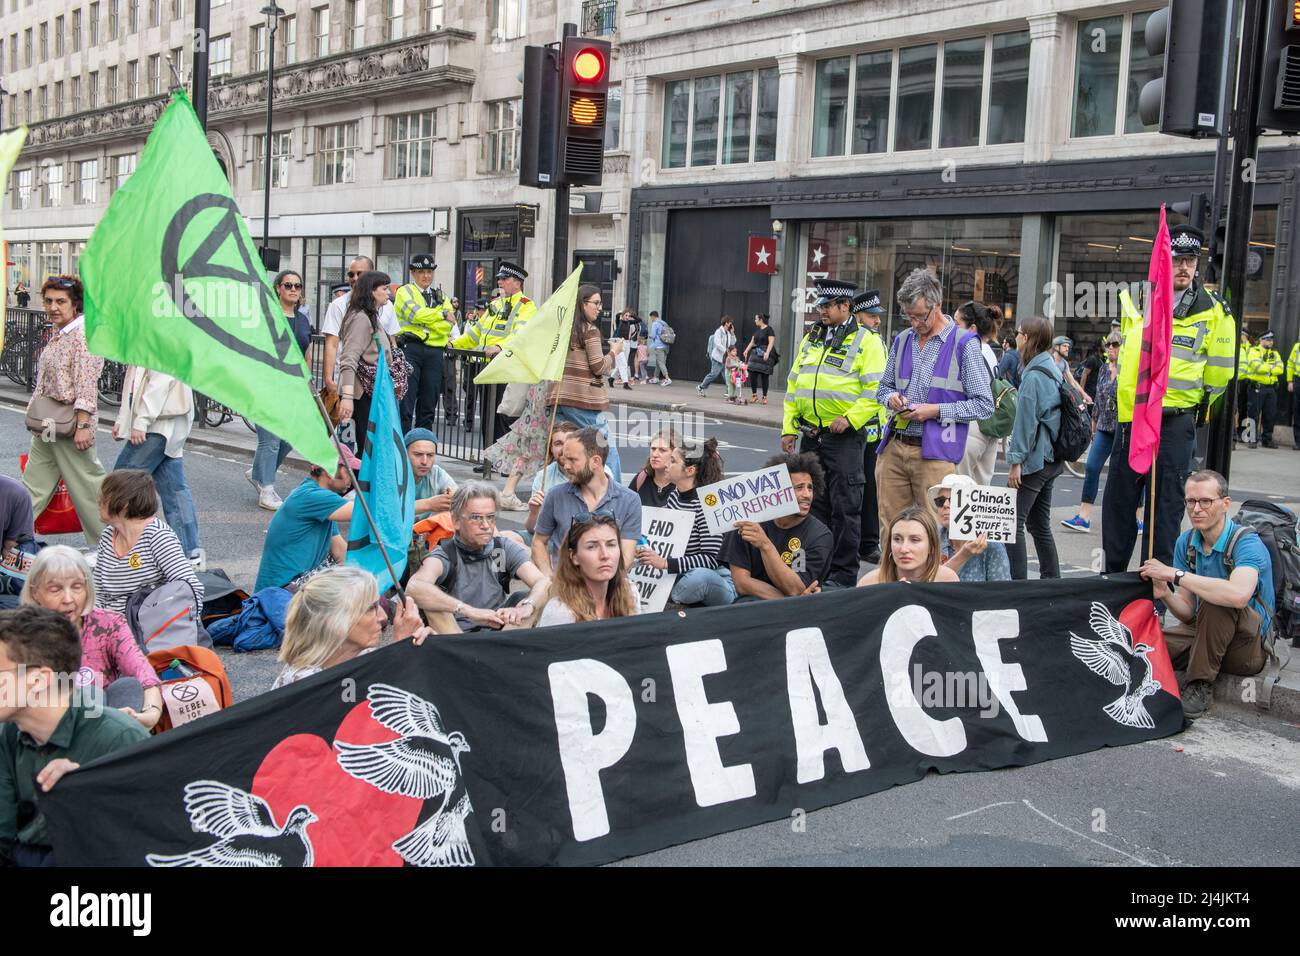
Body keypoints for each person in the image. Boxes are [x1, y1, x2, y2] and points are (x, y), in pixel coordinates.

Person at [1104, 224, 1236, 572]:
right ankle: (1112, 580)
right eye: (1177, 259)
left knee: (1166, 506)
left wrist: (1196, 405)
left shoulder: (1214, 310)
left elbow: (1220, 373)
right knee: (1119, 501)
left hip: (1175, 419)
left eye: (1190, 261)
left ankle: (1157, 587)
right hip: (1133, 417)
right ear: (1162, 260)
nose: (1184, 267)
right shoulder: (1136, 297)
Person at [0, 606, 150, 866]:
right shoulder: (10, 731)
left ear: (38, 680)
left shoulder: (120, 738)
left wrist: (84, 790)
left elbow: (150, 844)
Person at [1139, 470, 1272, 719]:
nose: (1196, 509)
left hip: (1248, 648)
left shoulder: (1246, 542)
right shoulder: (1186, 542)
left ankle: (1199, 685)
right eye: (1191, 501)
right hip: (1205, 633)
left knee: (1217, 598)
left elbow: (1239, 596)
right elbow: (1188, 613)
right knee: (1144, 649)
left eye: (1206, 501)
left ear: (1225, 504)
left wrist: (1175, 575)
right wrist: (1165, 593)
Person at [875, 268, 994, 540]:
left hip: (937, 454)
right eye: (909, 316)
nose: (914, 322)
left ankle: (931, 583)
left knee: (935, 534)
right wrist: (890, 398)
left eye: (920, 315)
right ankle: (891, 583)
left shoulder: (964, 343)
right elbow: (883, 387)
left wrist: (936, 411)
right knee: (890, 531)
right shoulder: (902, 340)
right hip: (894, 446)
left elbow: (984, 405)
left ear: (937, 305)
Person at [781, 278, 884, 589]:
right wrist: (789, 427)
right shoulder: (812, 338)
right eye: (820, 306)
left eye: (827, 306)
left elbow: (876, 389)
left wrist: (851, 419)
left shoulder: (866, 341)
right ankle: (817, 571)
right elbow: (793, 385)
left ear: (845, 307)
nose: (821, 311)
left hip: (844, 439)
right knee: (813, 507)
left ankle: (841, 575)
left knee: (846, 508)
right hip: (811, 436)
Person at [20, 546, 163, 729]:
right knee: (88, 694)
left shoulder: (108, 624)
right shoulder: (20, 635)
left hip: (105, 725)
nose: (68, 598)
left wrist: (150, 715)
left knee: (127, 686)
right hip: (48, 730)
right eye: (55, 589)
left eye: (77, 587)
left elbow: (144, 675)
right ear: (35, 593)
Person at [21, 275, 106, 546]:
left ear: (75, 304)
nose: (53, 307)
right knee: (32, 488)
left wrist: (83, 426)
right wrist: (32, 412)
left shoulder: (83, 335)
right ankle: (10, 538)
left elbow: (86, 382)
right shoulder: (61, 333)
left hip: (70, 426)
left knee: (89, 491)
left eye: (60, 301)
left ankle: (113, 549)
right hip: (48, 425)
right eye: (48, 301)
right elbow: (44, 381)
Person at [407, 482, 550, 632]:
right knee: (434, 605)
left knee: (534, 597)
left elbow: (542, 582)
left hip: (499, 631)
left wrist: (528, 606)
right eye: (476, 518)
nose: (486, 525)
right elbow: (414, 587)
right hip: (457, 637)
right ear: (456, 521)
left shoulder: (500, 549)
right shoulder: (445, 555)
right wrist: (469, 611)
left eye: (490, 517)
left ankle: (506, 651)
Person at [273, 566, 431, 689]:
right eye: (371, 608)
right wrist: (399, 649)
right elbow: (365, 719)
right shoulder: (304, 681)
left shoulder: (360, 654)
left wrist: (427, 649)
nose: (383, 617)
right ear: (333, 621)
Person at [111, 363, 201, 557]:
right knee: (174, 490)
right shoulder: (153, 336)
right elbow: (134, 382)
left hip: (157, 426)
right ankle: (189, 552)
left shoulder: (157, 337)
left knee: (119, 485)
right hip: (164, 426)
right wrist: (123, 421)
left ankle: (118, 549)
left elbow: (159, 382)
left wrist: (141, 421)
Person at [245, 270, 315, 512]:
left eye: (298, 285)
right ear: (278, 288)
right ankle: (266, 489)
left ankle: (258, 472)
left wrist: (307, 385)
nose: (293, 289)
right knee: (271, 439)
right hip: (266, 385)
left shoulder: (304, 320)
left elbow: (306, 353)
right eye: (288, 285)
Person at [635, 438, 734, 607]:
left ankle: (668, 600)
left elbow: (711, 559)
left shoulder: (707, 504)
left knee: (698, 579)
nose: (667, 464)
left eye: (673, 461)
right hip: (679, 572)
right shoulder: (674, 495)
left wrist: (666, 563)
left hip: (711, 577)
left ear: (689, 470)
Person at [91, 470, 204, 618]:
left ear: (124, 503)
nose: (99, 500)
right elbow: (97, 593)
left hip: (149, 628)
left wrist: (168, 626)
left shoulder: (157, 536)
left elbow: (191, 589)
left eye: (105, 495)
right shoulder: (108, 536)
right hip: (112, 627)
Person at [722, 452, 833, 601]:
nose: (807, 494)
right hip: (751, 603)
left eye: (810, 488)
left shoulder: (819, 535)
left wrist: (765, 545)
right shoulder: (746, 521)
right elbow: (741, 583)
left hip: (796, 615)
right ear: (779, 491)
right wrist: (788, 601)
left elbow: (795, 589)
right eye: (799, 488)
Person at [531, 427, 642, 578]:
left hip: (608, 588)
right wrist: (549, 579)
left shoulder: (629, 500)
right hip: (565, 587)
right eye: (565, 458)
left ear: (595, 461)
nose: (566, 466)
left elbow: (626, 558)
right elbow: (538, 542)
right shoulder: (555, 495)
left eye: (572, 460)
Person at [1004, 317, 1064, 581]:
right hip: (1052, 458)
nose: (1016, 337)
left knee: (1012, 523)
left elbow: (1025, 423)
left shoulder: (1033, 377)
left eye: (1018, 334)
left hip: (1036, 459)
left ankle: (1018, 586)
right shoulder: (1053, 368)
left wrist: (1016, 461)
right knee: (1039, 525)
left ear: (1026, 338)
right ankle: (1052, 582)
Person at [254, 444, 360, 592]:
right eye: (349, 470)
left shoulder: (321, 499)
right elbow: (365, 512)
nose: (353, 477)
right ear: (329, 469)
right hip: (279, 595)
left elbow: (340, 552)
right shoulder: (312, 496)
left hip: (295, 586)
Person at [548, 284, 624, 481]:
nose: (600, 308)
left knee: (562, 449)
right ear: (583, 304)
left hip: (558, 397)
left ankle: (562, 490)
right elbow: (599, 367)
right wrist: (615, 352)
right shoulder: (589, 331)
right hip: (583, 401)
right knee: (606, 447)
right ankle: (614, 495)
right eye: (596, 303)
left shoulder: (561, 329)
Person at [453, 262, 537, 441]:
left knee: (502, 417)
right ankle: (488, 460)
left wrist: (500, 347)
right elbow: (475, 334)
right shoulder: (496, 305)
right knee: (486, 415)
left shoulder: (526, 305)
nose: (500, 282)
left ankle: (501, 463)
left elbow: (520, 335)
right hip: (487, 366)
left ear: (517, 283)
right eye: (499, 279)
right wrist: (454, 344)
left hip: (506, 367)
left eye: (504, 279)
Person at [1062, 332, 1121, 533]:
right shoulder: (1104, 369)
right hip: (1104, 427)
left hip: (1123, 428)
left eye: (1116, 344)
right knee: (1093, 467)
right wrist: (1094, 426)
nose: (1111, 348)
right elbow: (1100, 398)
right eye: (1109, 344)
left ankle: (1136, 517)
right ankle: (1084, 516)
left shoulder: (1128, 370)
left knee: (1125, 473)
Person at [337, 270, 403, 450]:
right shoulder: (361, 318)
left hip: (372, 392)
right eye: (385, 288)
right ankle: (359, 479)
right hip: (361, 396)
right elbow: (348, 360)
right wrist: (348, 398)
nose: (389, 292)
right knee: (364, 449)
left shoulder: (371, 316)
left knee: (370, 448)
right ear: (372, 291)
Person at [538, 512, 640, 626]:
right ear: (574, 556)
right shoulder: (560, 611)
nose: (605, 555)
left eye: (611, 545)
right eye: (592, 547)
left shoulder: (630, 593)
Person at [321, 256, 401, 394]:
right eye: (351, 274)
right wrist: (329, 379)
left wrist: (395, 373)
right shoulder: (340, 306)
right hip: (354, 384)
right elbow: (332, 344)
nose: (355, 278)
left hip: (380, 382)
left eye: (360, 273)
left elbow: (392, 341)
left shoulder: (387, 306)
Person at [393, 253, 454, 432]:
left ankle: (422, 450)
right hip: (410, 349)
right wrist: (440, 315)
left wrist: (429, 324)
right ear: (413, 273)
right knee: (406, 404)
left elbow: (449, 326)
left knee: (429, 405)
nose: (426, 276)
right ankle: (402, 450)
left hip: (435, 352)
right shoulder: (405, 291)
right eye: (421, 272)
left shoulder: (441, 295)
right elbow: (416, 314)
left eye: (429, 271)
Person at [849, 290, 888, 564]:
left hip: (875, 426)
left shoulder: (877, 341)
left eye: (877, 317)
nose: (877, 321)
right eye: (871, 316)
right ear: (857, 316)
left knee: (872, 490)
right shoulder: (856, 341)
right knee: (854, 489)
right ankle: (859, 542)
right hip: (856, 424)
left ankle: (868, 542)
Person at [954, 301, 1004, 488]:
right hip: (991, 427)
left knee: (959, 487)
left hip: (971, 427)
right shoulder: (990, 351)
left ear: (972, 328)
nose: (953, 328)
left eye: (957, 323)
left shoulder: (968, 350)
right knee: (981, 491)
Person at [930, 474, 1011, 582]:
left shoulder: (992, 546)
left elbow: (1002, 592)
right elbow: (927, 585)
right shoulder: (932, 539)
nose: (945, 504)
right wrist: (963, 555)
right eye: (940, 501)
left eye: (954, 499)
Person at [485, 382, 550, 512]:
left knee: (529, 445)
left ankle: (508, 492)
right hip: (548, 394)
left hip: (537, 392)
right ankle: (546, 492)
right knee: (548, 444)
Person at [857, 506, 960, 586]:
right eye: (897, 539)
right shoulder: (869, 583)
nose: (904, 549)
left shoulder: (947, 579)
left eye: (915, 540)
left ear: (931, 546)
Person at [405, 429, 458, 523]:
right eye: (418, 454)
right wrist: (428, 504)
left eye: (430, 455)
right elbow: (389, 509)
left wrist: (452, 499)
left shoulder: (437, 473)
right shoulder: (392, 475)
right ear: (404, 454)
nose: (424, 462)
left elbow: (461, 498)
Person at [1242, 329, 1284, 449]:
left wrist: (1267, 368)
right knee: (1253, 413)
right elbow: (1257, 367)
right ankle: (1251, 439)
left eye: (1272, 340)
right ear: (1261, 340)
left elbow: (1280, 369)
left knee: (1270, 414)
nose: (1271, 342)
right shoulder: (1254, 351)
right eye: (1268, 340)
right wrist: (1272, 367)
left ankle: (1267, 439)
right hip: (1257, 387)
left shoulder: (1275, 354)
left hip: (1271, 389)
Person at [628, 426, 679, 508]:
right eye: (653, 449)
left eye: (662, 450)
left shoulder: (683, 485)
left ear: (675, 454)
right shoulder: (641, 479)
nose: (655, 455)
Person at [743, 312, 777, 405]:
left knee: (764, 376)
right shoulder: (757, 331)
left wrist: (767, 353)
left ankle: (764, 397)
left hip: (765, 354)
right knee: (752, 374)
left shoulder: (769, 329)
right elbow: (752, 342)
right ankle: (754, 395)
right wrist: (746, 350)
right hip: (755, 355)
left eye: (756, 319)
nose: (754, 321)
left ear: (760, 320)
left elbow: (771, 342)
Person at [698, 316, 736, 396]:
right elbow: (717, 344)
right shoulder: (718, 332)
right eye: (730, 323)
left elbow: (733, 343)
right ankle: (701, 387)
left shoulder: (728, 333)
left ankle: (728, 391)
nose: (731, 325)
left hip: (725, 359)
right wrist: (726, 350)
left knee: (727, 377)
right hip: (718, 358)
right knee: (714, 375)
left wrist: (732, 333)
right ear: (726, 323)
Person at [1049, 336, 1090, 406]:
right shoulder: (1049, 361)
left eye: (1068, 347)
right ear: (1056, 347)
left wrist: (1084, 395)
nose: (1067, 349)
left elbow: (1073, 382)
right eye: (1064, 346)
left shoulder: (1064, 363)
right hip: (1048, 397)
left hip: (1058, 398)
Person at [647, 311, 672, 386]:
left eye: (651, 317)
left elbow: (653, 335)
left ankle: (667, 378)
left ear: (653, 316)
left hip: (659, 346)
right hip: (666, 345)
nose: (651, 319)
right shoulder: (663, 323)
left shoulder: (655, 323)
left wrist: (650, 336)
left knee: (661, 363)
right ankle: (656, 378)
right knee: (659, 362)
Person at [1288, 337, 1300, 449]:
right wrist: (1290, 381)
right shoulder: (1297, 347)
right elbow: (1290, 364)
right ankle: (1298, 442)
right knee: (1297, 411)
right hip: (1298, 381)